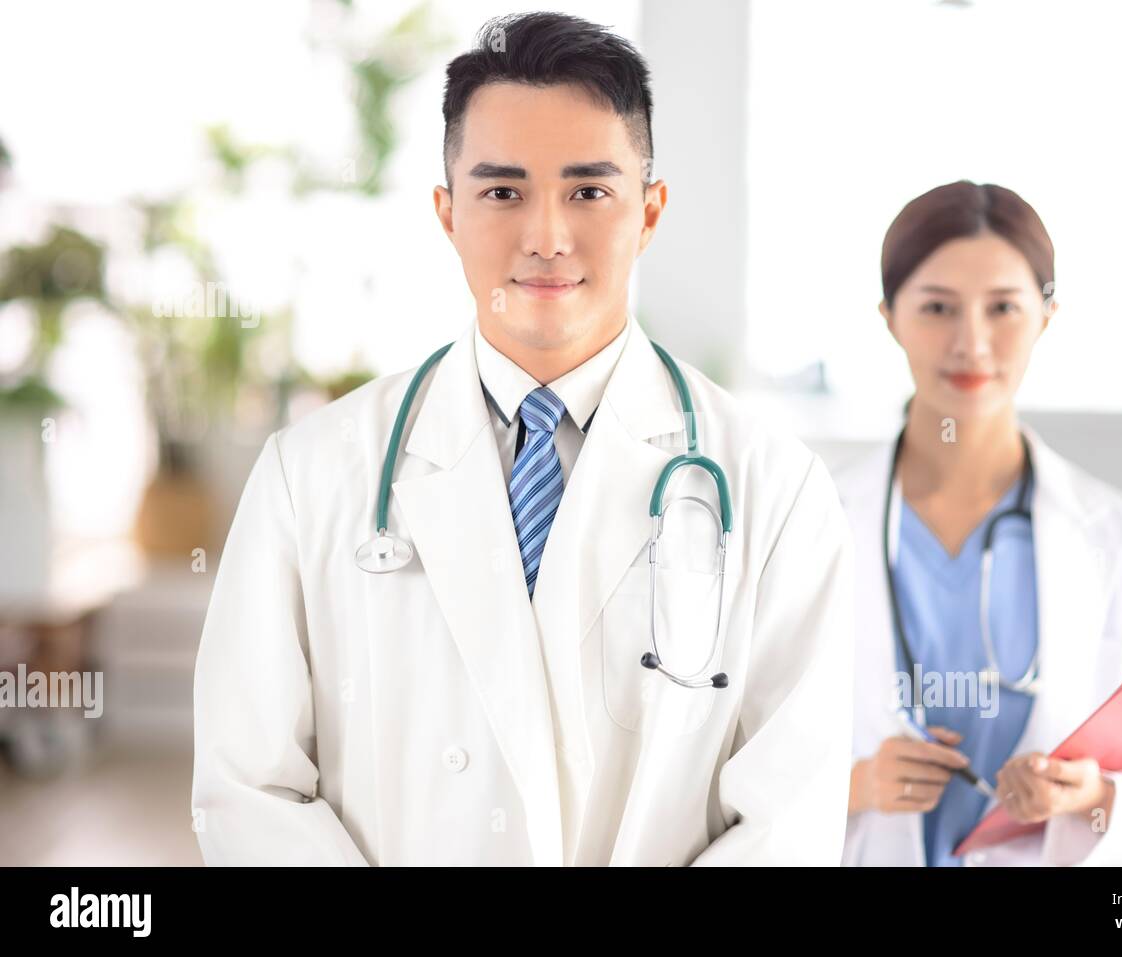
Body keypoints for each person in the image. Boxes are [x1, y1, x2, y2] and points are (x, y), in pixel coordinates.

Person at [191, 12, 854, 866]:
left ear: (649, 211)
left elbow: (786, 825)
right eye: (502, 191)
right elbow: (250, 791)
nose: (546, 237)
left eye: (589, 191)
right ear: (448, 212)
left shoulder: (775, 487)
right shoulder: (311, 474)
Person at [837, 181, 1122, 866]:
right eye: (937, 307)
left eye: (1004, 307)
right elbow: (727, 772)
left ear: (1046, 315)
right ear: (890, 317)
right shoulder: (809, 527)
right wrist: (854, 786)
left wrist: (1089, 796)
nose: (971, 342)